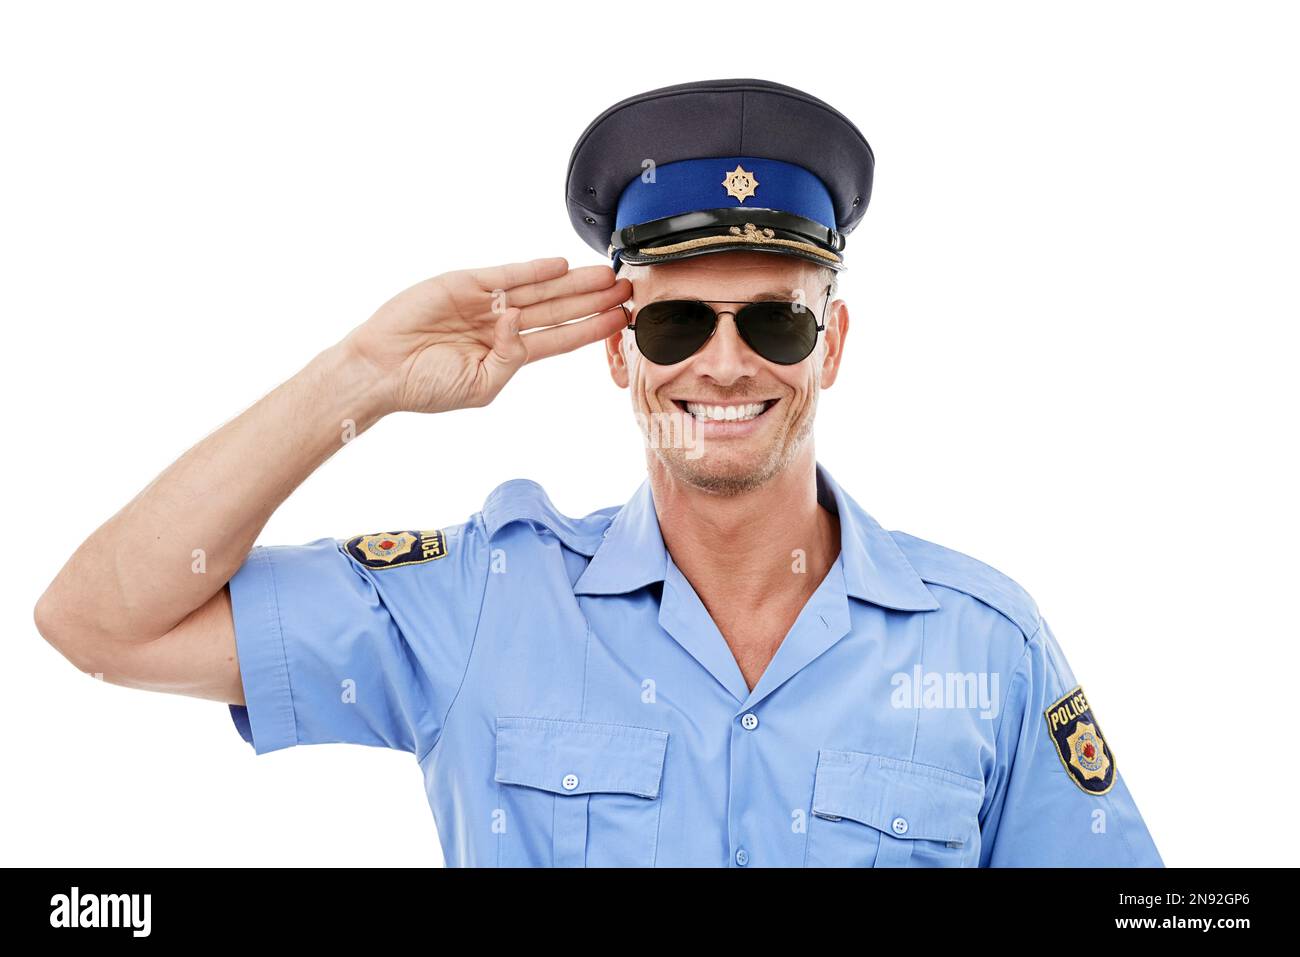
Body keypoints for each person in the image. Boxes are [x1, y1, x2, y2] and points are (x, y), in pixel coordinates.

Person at [34, 78, 1162, 867]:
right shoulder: (480, 603)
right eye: (676, 325)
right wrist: (358, 379)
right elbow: (100, 624)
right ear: (619, 350)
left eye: (773, 321)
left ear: (834, 343)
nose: (724, 365)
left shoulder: (984, 646)